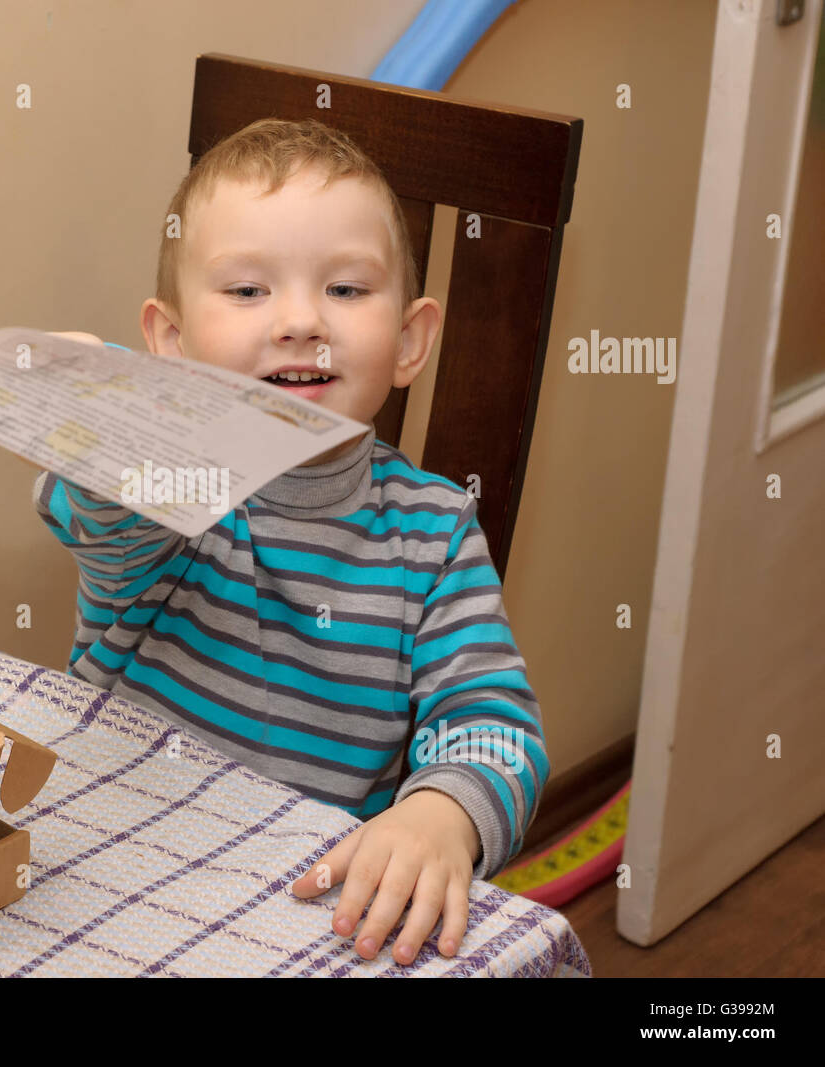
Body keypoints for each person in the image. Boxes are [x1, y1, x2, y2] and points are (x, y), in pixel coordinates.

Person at [37, 117, 546, 966]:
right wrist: (108, 431)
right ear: (168, 340)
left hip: (296, 914)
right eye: (247, 291)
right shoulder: (173, 490)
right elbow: (104, 518)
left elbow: (493, 726)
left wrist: (441, 814)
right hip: (99, 865)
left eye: (346, 290)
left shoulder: (435, 531)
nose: (302, 320)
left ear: (412, 340)